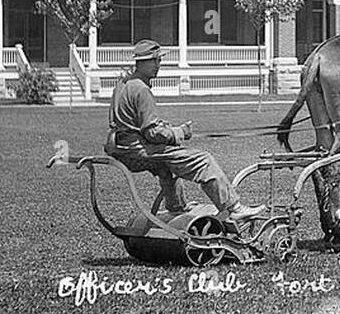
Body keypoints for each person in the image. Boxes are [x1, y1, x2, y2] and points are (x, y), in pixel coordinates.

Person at [104, 39, 264, 222]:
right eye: (155, 61)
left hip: (122, 149)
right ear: (142, 63)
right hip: (138, 150)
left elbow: (133, 123)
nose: (159, 65)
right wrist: (180, 132)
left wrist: (167, 128)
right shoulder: (141, 90)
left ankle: (176, 207)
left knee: (167, 165)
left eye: (159, 61)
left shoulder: (124, 84)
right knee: (204, 160)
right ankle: (234, 208)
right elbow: (152, 133)